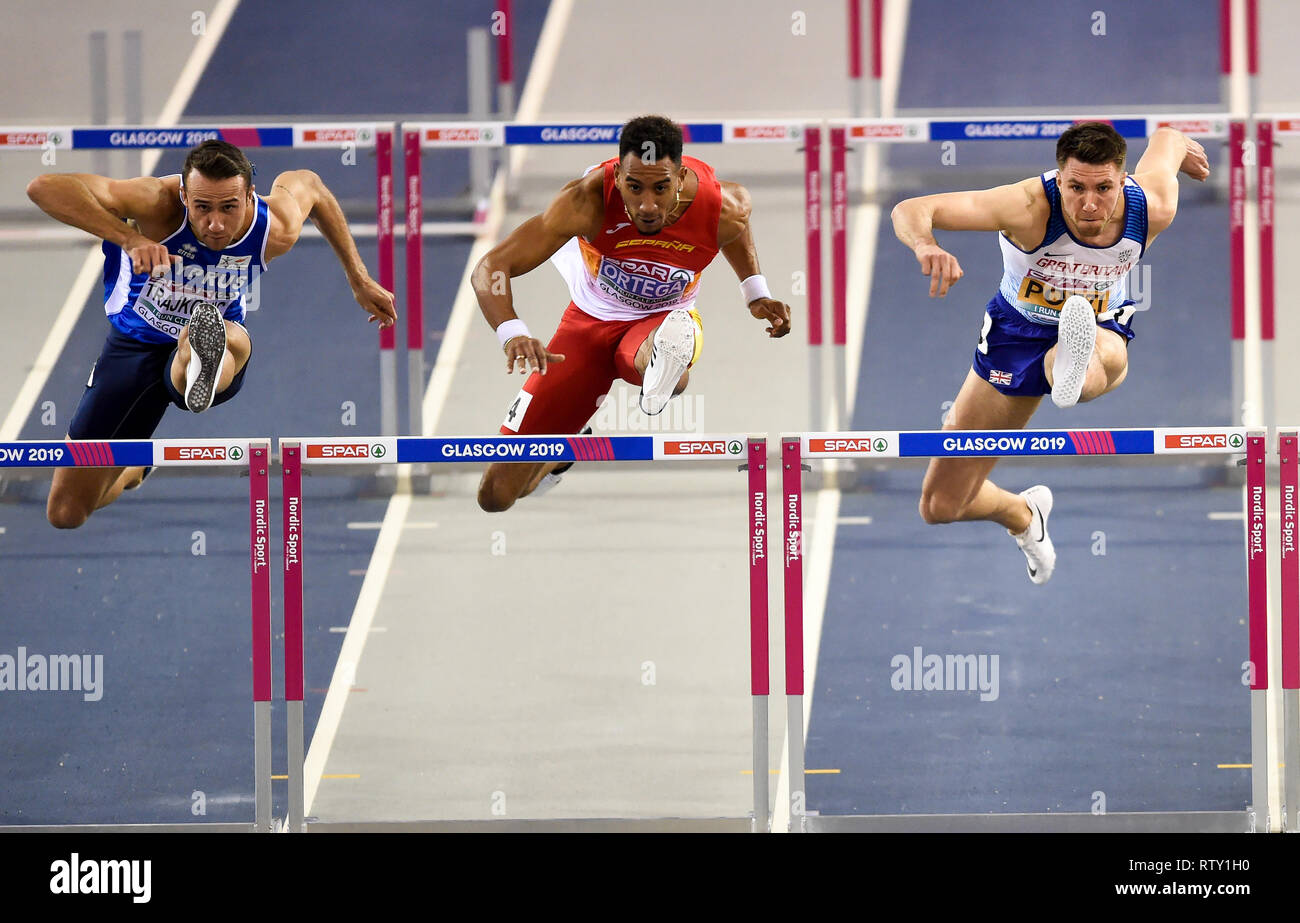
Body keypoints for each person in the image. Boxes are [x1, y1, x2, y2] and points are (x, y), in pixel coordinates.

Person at [890, 121, 1210, 584]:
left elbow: (1164, 139)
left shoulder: (1153, 206)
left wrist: (1180, 144)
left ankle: (1070, 367)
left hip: (1100, 324)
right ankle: (1024, 512)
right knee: (940, 506)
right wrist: (925, 243)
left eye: (1104, 188)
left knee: (1098, 358)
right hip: (1015, 335)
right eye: (1076, 187)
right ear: (1058, 179)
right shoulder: (1025, 206)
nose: (1089, 204)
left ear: (1123, 181)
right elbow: (915, 207)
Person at [27, 139, 396, 529]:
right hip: (133, 348)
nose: (216, 223)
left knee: (219, 338)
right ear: (184, 196)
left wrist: (359, 278)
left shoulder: (276, 227)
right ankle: (136, 466)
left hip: (220, 341)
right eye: (202, 208)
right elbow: (44, 187)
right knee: (66, 513)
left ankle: (202, 353)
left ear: (250, 195)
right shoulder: (155, 201)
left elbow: (312, 186)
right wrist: (130, 238)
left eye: (229, 207)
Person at [472, 114, 792, 512]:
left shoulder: (722, 206)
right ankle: (568, 449)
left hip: (659, 321)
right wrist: (512, 331)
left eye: (660, 188)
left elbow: (734, 230)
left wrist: (755, 291)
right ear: (618, 176)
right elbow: (491, 267)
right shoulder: (586, 201)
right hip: (586, 327)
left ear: (680, 178)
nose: (646, 204)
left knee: (661, 367)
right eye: (634, 187)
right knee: (497, 496)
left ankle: (667, 363)